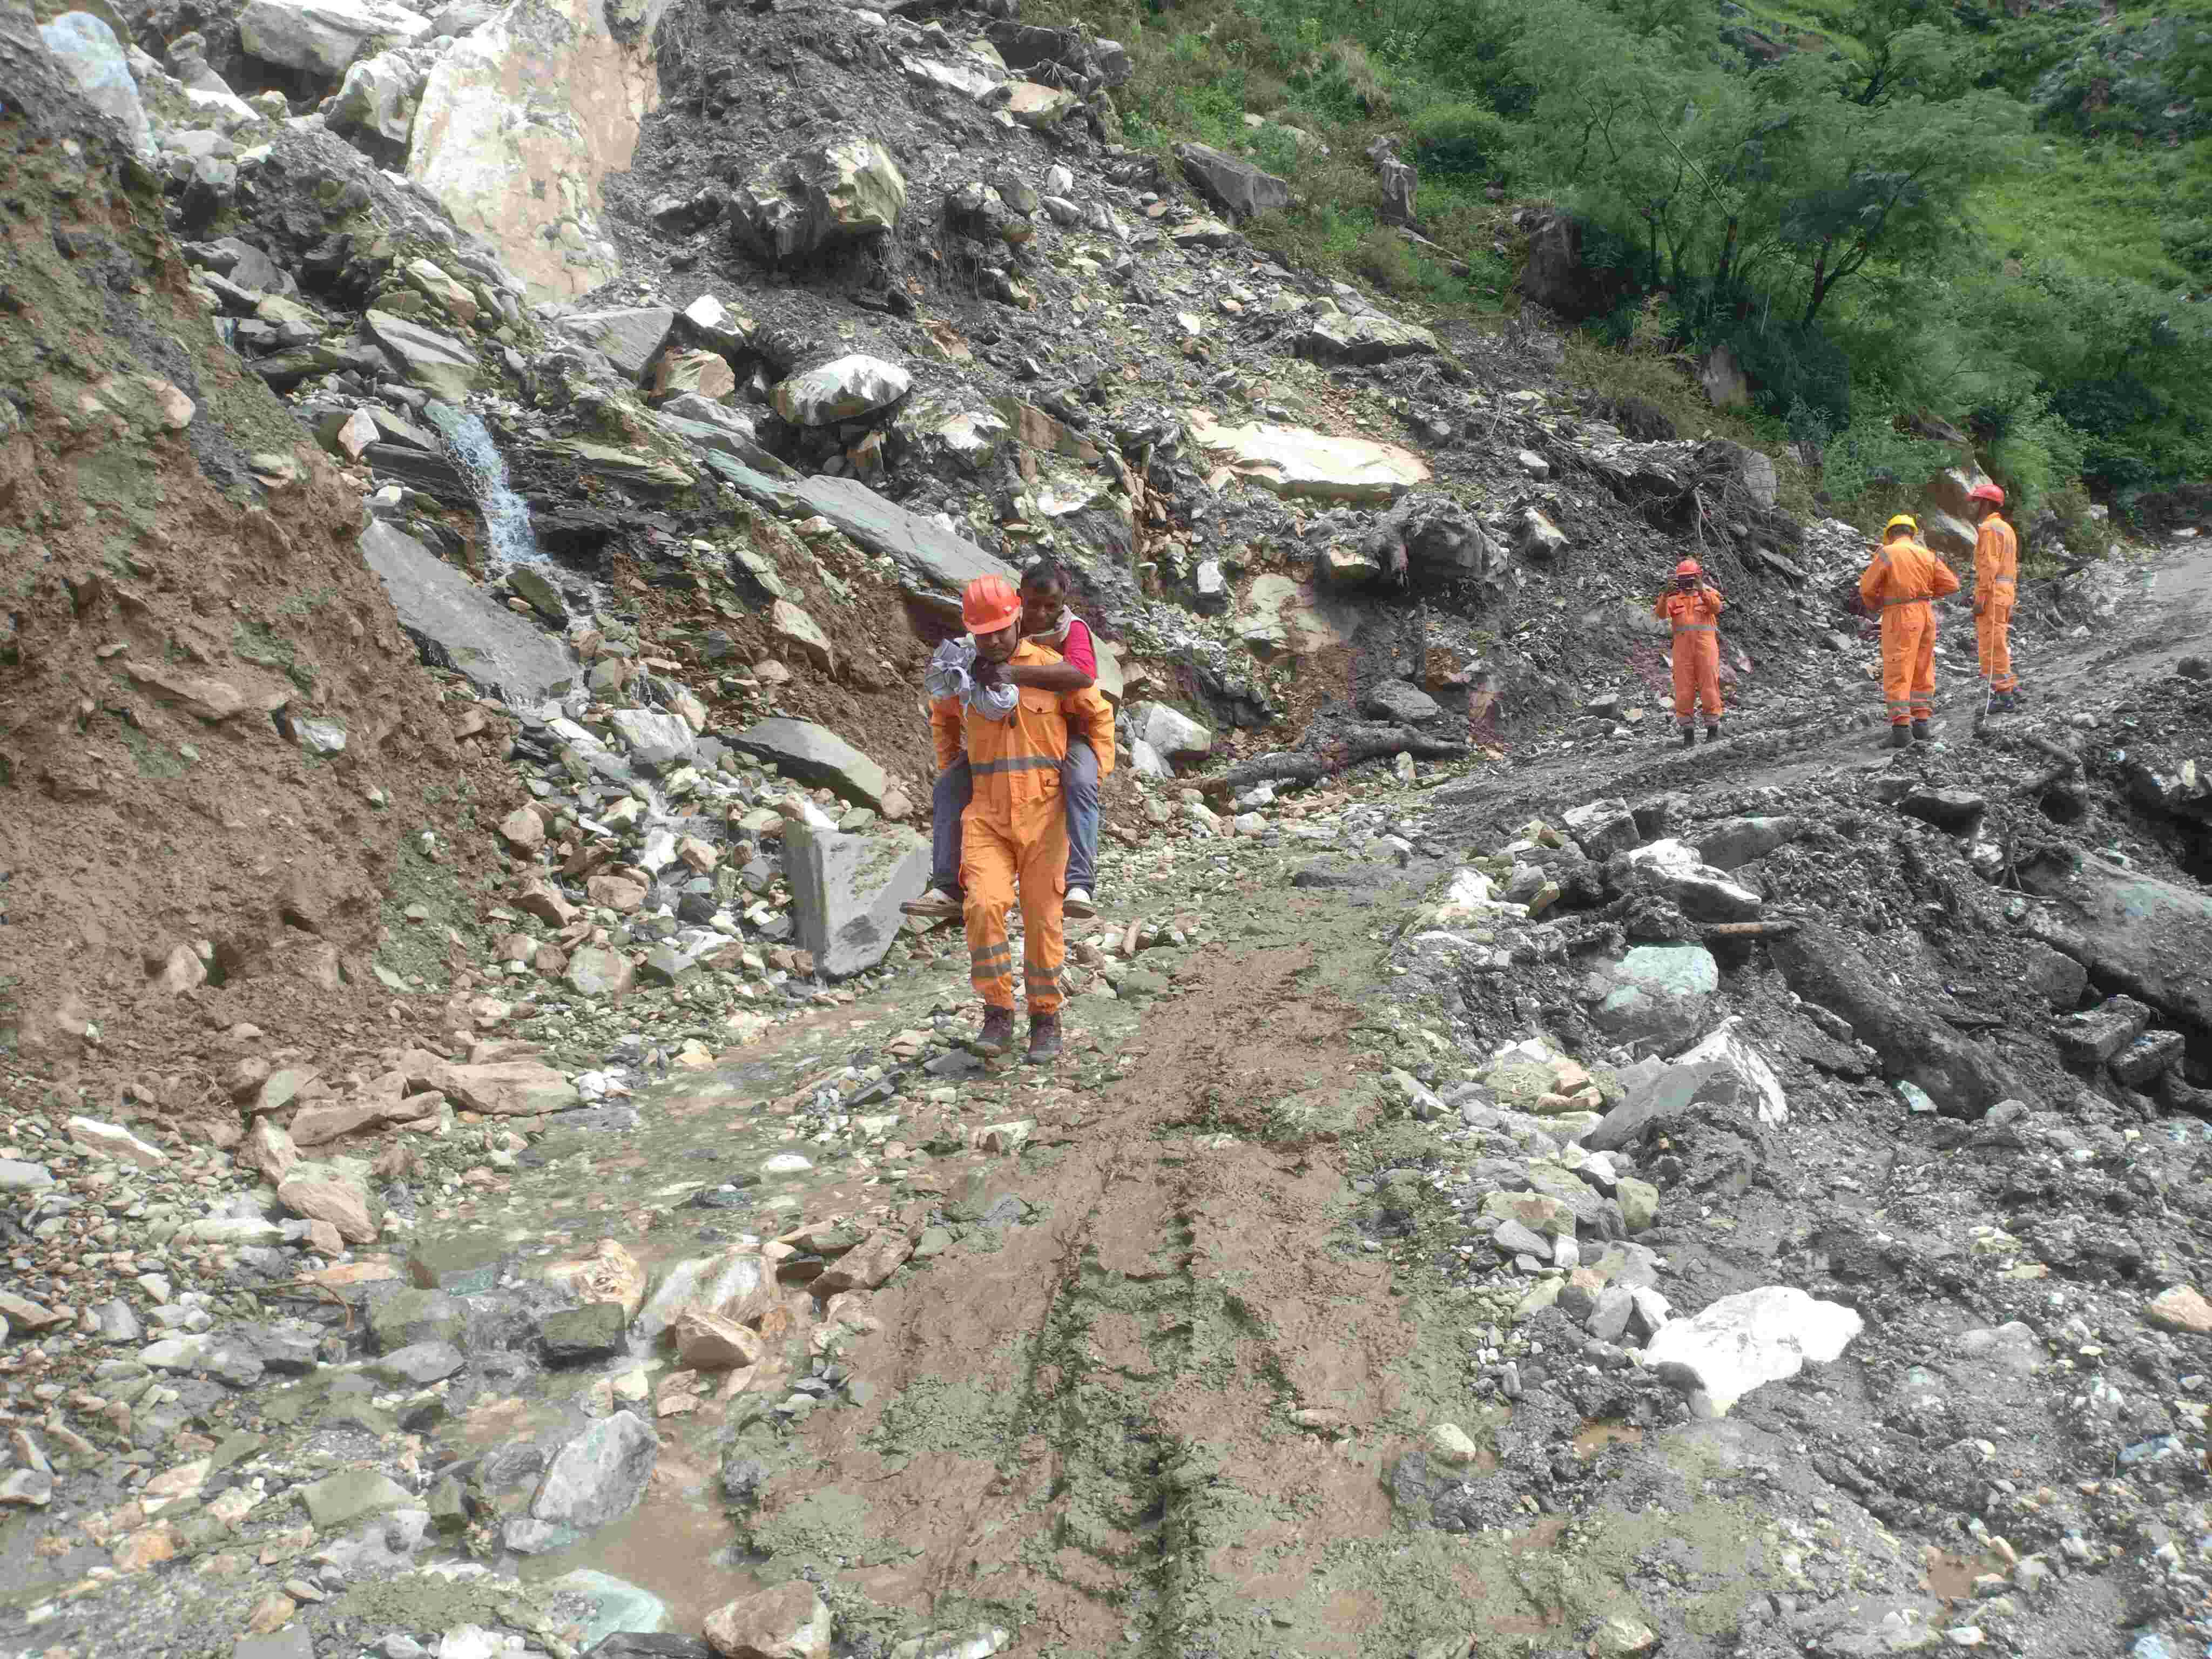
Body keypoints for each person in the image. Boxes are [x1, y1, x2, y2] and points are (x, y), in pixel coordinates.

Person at [931, 574, 1116, 1063]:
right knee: (984, 908)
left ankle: (1045, 1019)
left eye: (1000, 630)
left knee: (1042, 921)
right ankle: (997, 1013)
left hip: (1045, 815)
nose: (992, 640)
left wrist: (1095, 771)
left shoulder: (1049, 669)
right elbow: (943, 715)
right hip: (988, 815)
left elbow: (1097, 713)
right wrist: (952, 765)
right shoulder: (963, 674)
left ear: (1017, 620)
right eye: (982, 633)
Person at [903, 560, 1104, 921]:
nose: (1042, 614)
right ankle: (948, 887)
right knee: (949, 787)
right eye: (1033, 605)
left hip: (1069, 732)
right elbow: (945, 710)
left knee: (1082, 782)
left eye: (1051, 606)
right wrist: (954, 764)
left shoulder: (1071, 629)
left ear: (1063, 604)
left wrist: (1101, 760)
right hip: (1008, 744)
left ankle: (1080, 882)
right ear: (1018, 601)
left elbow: (1083, 677)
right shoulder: (1003, 626)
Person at [1858, 514, 1960, 747]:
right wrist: (1924, 594)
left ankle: (1902, 731)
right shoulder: (1926, 554)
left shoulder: (1887, 553)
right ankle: (1922, 725)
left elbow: (1866, 589)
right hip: (1926, 614)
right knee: (1923, 668)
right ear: (1912, 534)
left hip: (1900, 614)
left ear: (1891, 534)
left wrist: (1878, 606)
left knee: (1898, 668)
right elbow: (1952, 584)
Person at [1654, 557, 1725, 746]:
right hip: (1682, 652)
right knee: (1683, 691)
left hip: (1706, 649)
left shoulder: (1709, 593)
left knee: (1709, 687)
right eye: (1683, 579)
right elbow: (1661, 615)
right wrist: (1664, 594)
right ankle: (1688, 733)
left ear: (1699, 576)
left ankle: (1712, 729)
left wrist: (1701, 590)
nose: (1687, 583)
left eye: (1691, 578)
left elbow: (1718, 608)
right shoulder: (1673, 598)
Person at [1970, 481, 2019, 712]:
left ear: (1986, 504)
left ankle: (2004, 696)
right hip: (2006, 591)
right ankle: (2010, 687)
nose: (1972, 507)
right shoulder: (2006, 528)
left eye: (1976, 502)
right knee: (1999, 641)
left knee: (1992, 644)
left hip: (1993, 592)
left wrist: (1980, 597)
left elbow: (1989, 565)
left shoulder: (1989, 529)